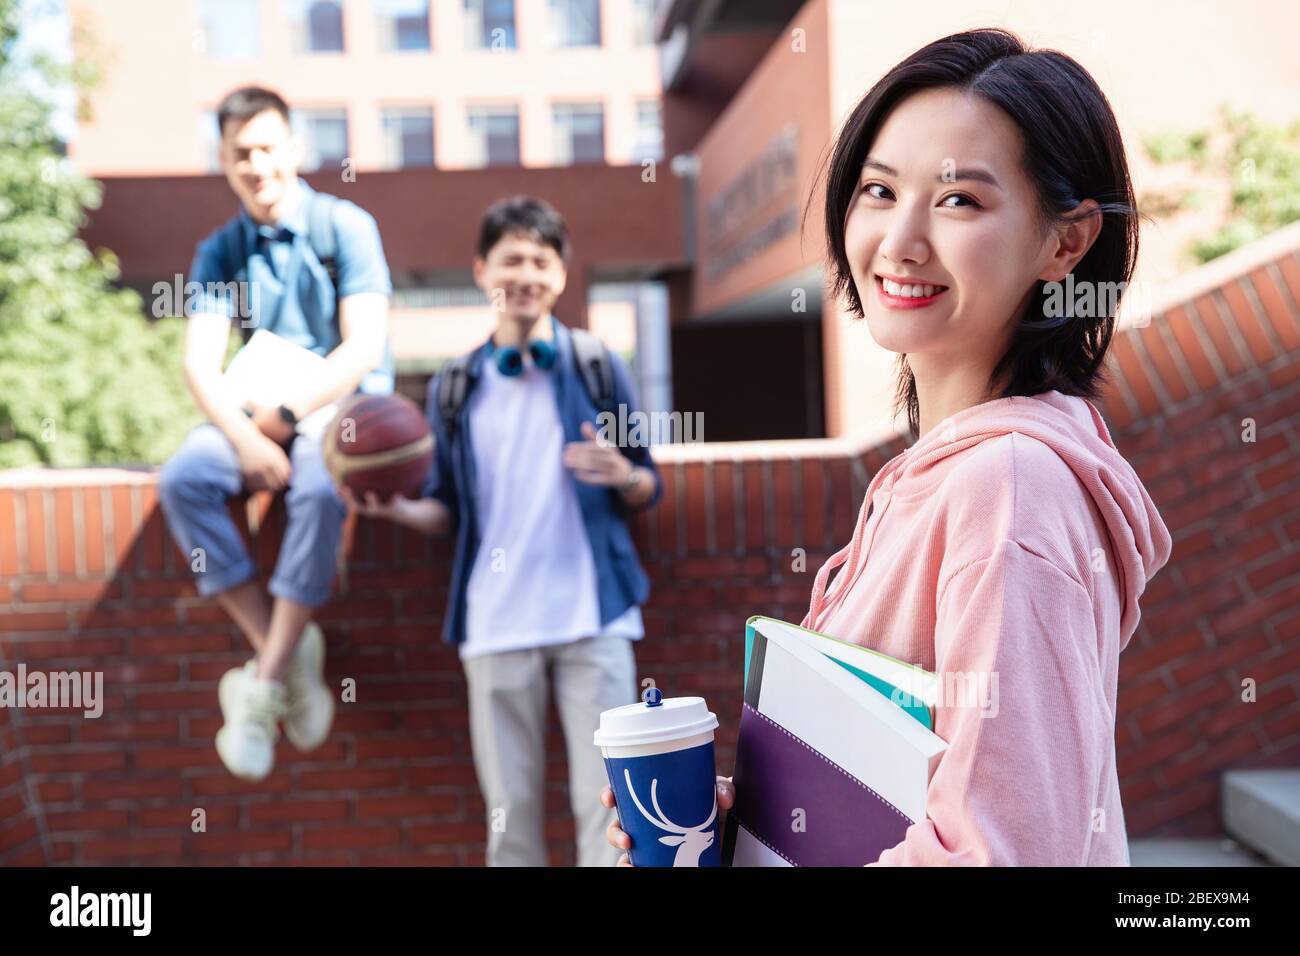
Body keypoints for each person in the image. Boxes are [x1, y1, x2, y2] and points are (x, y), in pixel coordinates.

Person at [603, 28, 1173, 866]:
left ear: (1066, 243)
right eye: (878, 190)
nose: (899, 242)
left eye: (958, 202)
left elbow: (999, 851)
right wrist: (742, 838)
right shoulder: (935, 476)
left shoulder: (1007, 486)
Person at [348, 196, 662, 866]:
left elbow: (648, 484)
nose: (526, 273)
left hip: (594, 620)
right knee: (509, 819)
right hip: (495, 625)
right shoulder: (455, 386)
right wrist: (397, 510)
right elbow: (447, 508)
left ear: (560, 273)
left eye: (541, 260)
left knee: (608, 813)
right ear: (481, 268)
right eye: (511, 258)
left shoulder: (598, 365)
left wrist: (620, 474)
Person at [158, 85, 394, 781]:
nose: (256, 165)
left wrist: (285, 420)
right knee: (185, 479)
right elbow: (198, 364)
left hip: (334, 408)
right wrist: (245, 439)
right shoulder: (220, 251)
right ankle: (286, 664)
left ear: (292, 148)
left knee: (320, 494)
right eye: (240, 154)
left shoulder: (345, 227)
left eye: (266, 147)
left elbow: (363, 351)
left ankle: (259, 686)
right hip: (255, 412)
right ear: (225, 163)